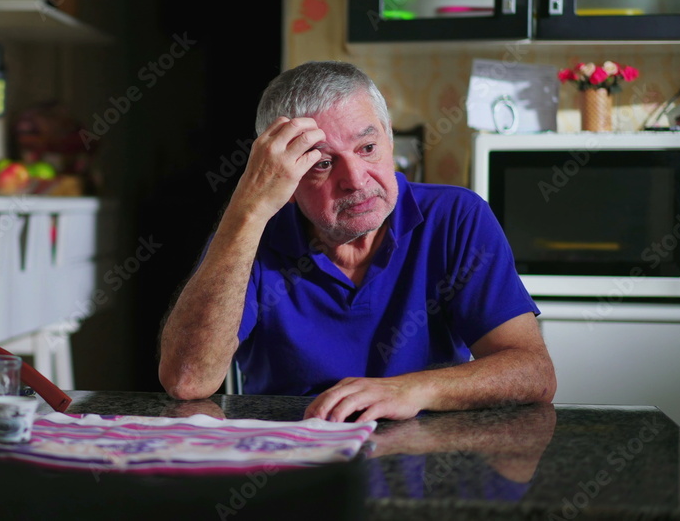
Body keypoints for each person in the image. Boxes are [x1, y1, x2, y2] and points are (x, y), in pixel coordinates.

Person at [158, 60, 556, 423]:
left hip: (426, 467)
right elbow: (188, 381)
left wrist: (413, 389)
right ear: (285, 176)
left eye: (368, 148)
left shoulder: (456, 216)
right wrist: (245, 212)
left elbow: (532, 371)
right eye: (323, 164)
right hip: (287, 465)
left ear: (388, 138)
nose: (356, 178)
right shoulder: (249, 234)